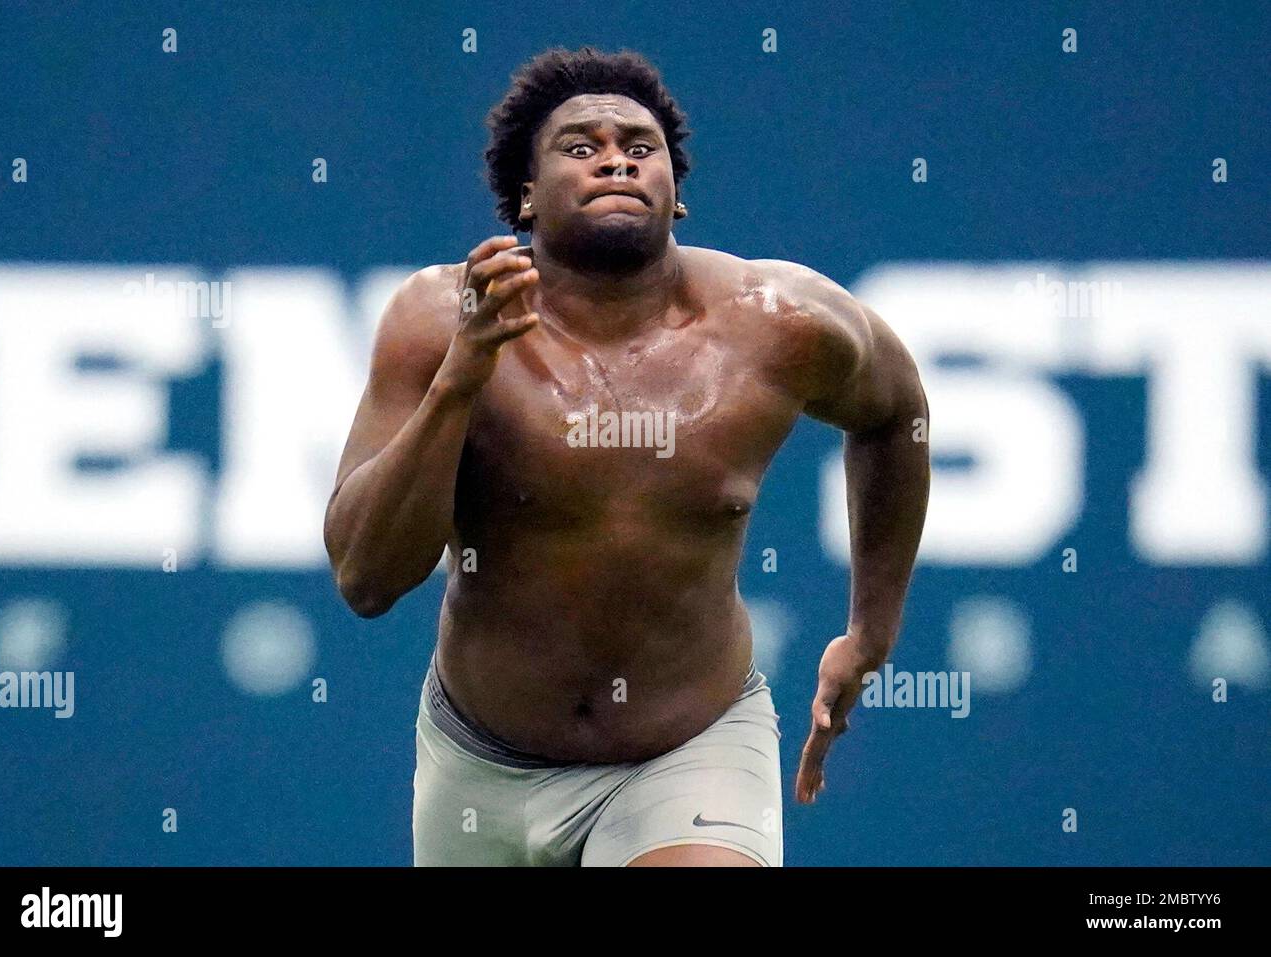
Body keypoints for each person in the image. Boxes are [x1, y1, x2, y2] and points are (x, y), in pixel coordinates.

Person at [323, 46, 930, 866]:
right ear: (525, 196)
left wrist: (869, 633)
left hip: (688, 749)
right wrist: (460, 380)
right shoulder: (439, 321)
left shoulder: (779, 321)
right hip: (479, 766)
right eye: (581, 146)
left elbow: (897, 416)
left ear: (676, 195)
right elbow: (366, 576)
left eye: (640, 148)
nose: (615, 157)